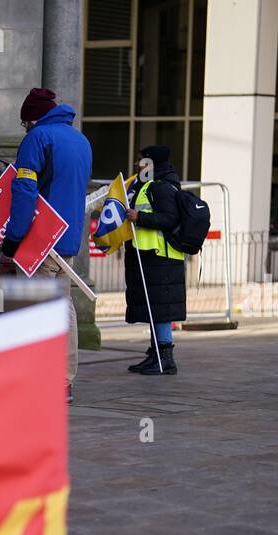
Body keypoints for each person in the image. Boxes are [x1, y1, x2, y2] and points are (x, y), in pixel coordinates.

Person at [2, 88, 92, 400]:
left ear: (32, 119)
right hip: (67, 240)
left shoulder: (37, 139)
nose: (25, 129)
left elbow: (25, 191)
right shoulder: (80, 140)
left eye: (24, 123)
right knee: (61, 309)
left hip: (39, 241)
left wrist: (13, 237)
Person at [123, 145, 185, 376]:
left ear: (151, 164)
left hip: (162, 256)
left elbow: (170, 219)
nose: (137, 164)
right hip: (151, 256)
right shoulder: (149, 184)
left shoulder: (162, 187)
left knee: (161, 309)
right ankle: (155, 355)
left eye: (141, 161)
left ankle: (165, 359)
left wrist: (140, 217)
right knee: (153, 307)